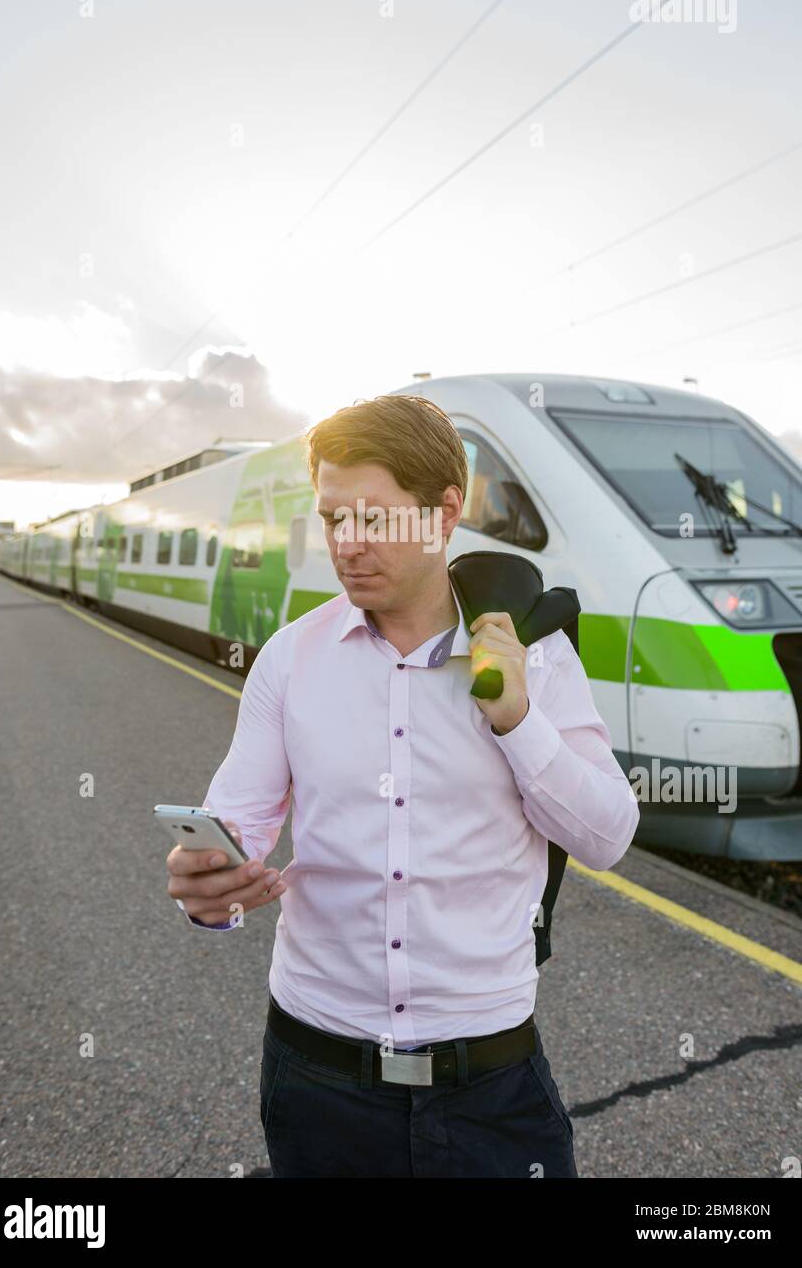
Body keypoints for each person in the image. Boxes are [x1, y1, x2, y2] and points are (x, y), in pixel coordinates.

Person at [166, 393, 640, 1178]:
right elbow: (236, 821)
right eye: (331, 519)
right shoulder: (289, 659)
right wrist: (210, 882)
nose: (347, 546)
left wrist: (518, 719)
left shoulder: (537, 655)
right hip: (318, 1079)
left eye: (375, 519)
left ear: (444, 512)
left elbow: (607, 837)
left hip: (491, 1085)